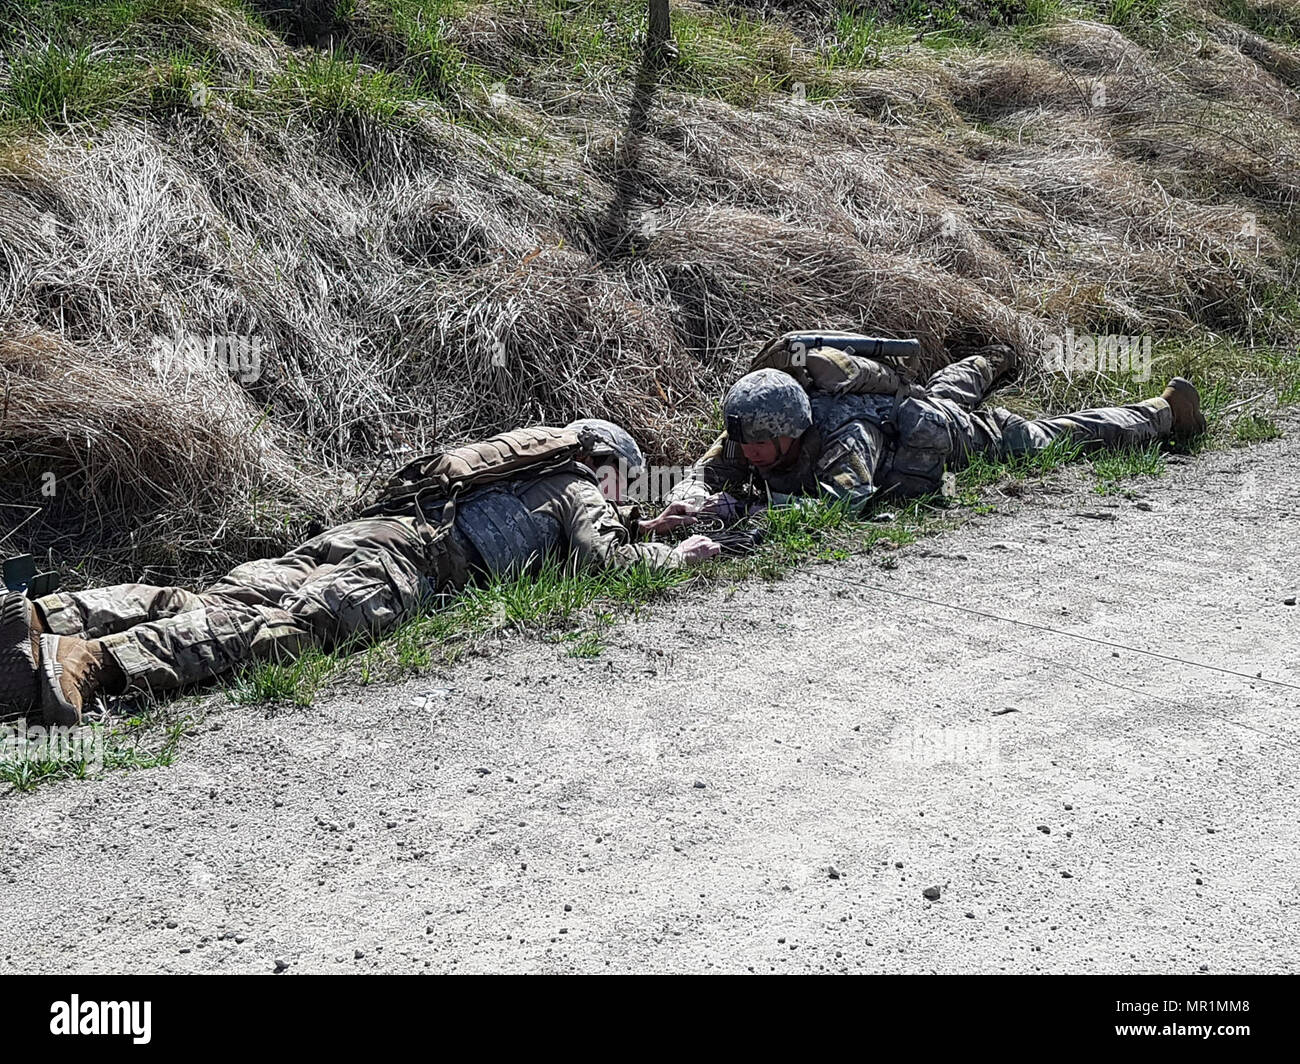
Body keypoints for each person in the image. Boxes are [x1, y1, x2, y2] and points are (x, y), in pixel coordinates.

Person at [0, 419, 720, 724]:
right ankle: (92, 660)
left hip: (365, 533)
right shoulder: (578, 486)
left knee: (213, 597)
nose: (626, 496)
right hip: (409, 563)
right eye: (625, 483)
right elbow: (612, 563)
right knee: (289, 631)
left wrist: (644, 524)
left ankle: (45, 614)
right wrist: (673, 556)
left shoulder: (511, 470)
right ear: (605, 467)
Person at [643, 347, 1206, 532]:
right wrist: (688, 502)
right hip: (908, 407)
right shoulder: (753, 428)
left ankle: (1162, 414)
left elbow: (842, 503)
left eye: (761, 441)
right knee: (946, 389)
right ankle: (988, 359)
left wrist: (745, 509)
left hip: (948, 437)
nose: (750, 451)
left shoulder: (847, 435)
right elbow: (706, 472)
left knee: (1043, 436)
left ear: (792, 430)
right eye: (744, 440)